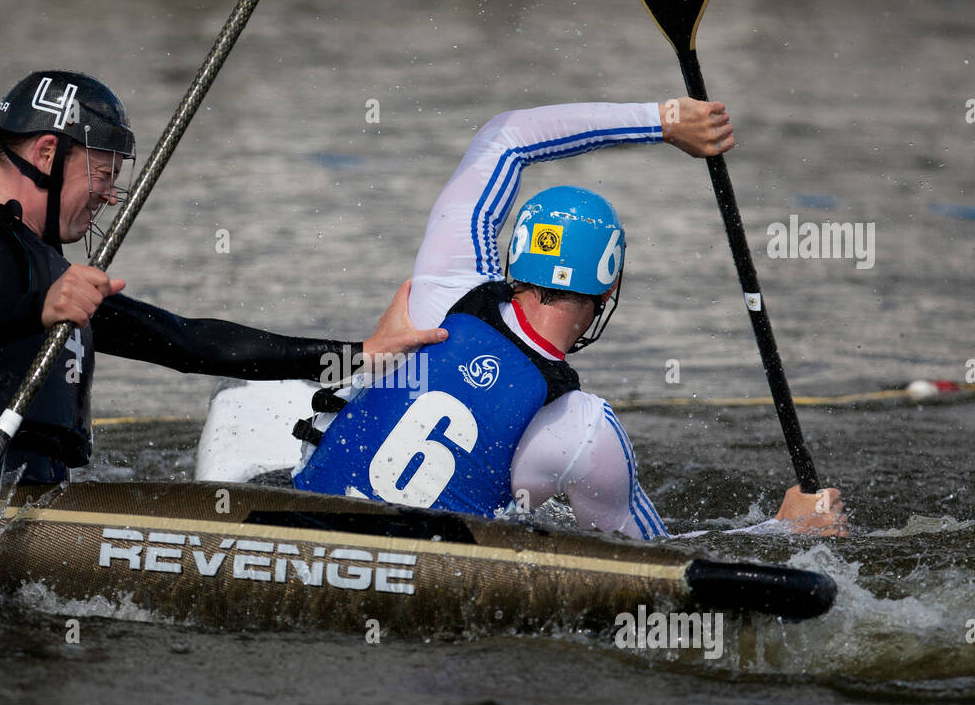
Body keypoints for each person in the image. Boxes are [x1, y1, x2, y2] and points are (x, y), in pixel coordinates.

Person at [291, 98, 847, 537]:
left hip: (297, 526)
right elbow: (645, 564)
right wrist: (784, 529)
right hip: (427, 581)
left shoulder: (443, 288)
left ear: (518, 255)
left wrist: (665, 120)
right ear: (610, 286)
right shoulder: (581, 427)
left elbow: (504, 135)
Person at [0, 70, 445, 488]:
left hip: (39, 497)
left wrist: (356, 355)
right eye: (101, 172)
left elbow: (192, 343)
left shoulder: (57, 274)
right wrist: (35, 311)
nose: (110, 194)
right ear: (47, 153)